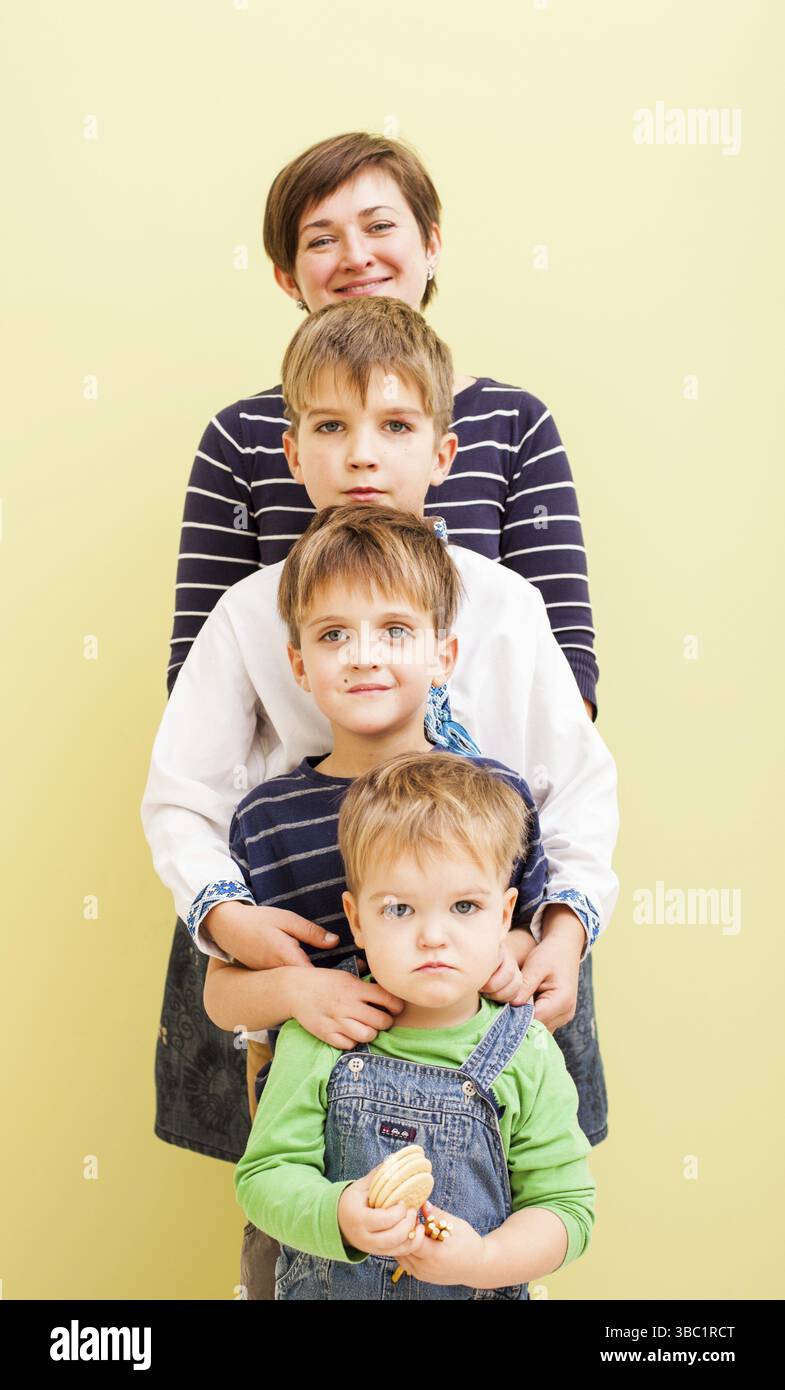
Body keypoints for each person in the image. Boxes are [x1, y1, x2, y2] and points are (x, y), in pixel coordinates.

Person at [154, 133, 603, 1167]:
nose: (361, 452)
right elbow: (196, 736)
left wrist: (551, 917)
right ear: (292, 439)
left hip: (487, 904)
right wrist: (232, 907)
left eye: (397, 426)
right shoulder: (252, 591)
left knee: (506, 1181)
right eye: (321, 236)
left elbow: (565, 718)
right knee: (299, 1189)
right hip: (303, 893)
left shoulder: (498, 580)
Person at [204, 501, 550, 1297]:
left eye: (394, 630)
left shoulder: (496, 794)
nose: (363, 657)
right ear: (298, 664)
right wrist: (299, 989)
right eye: (332, 636)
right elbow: (220, 996)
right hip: (307, 1150)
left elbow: (528, 939)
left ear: (443, 653)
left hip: (479, 1133)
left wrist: (513, 964)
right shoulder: (265, 820)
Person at [234, 752, 596, 1300]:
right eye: (400, 909)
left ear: (505, 915)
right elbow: (263, 1178)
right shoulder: (322, 1036)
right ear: (357, 919)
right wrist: (338, 1215)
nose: (433, 936)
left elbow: (566, 1209)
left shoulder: (527, 1051)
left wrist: (483, 1259)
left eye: (465, 907)